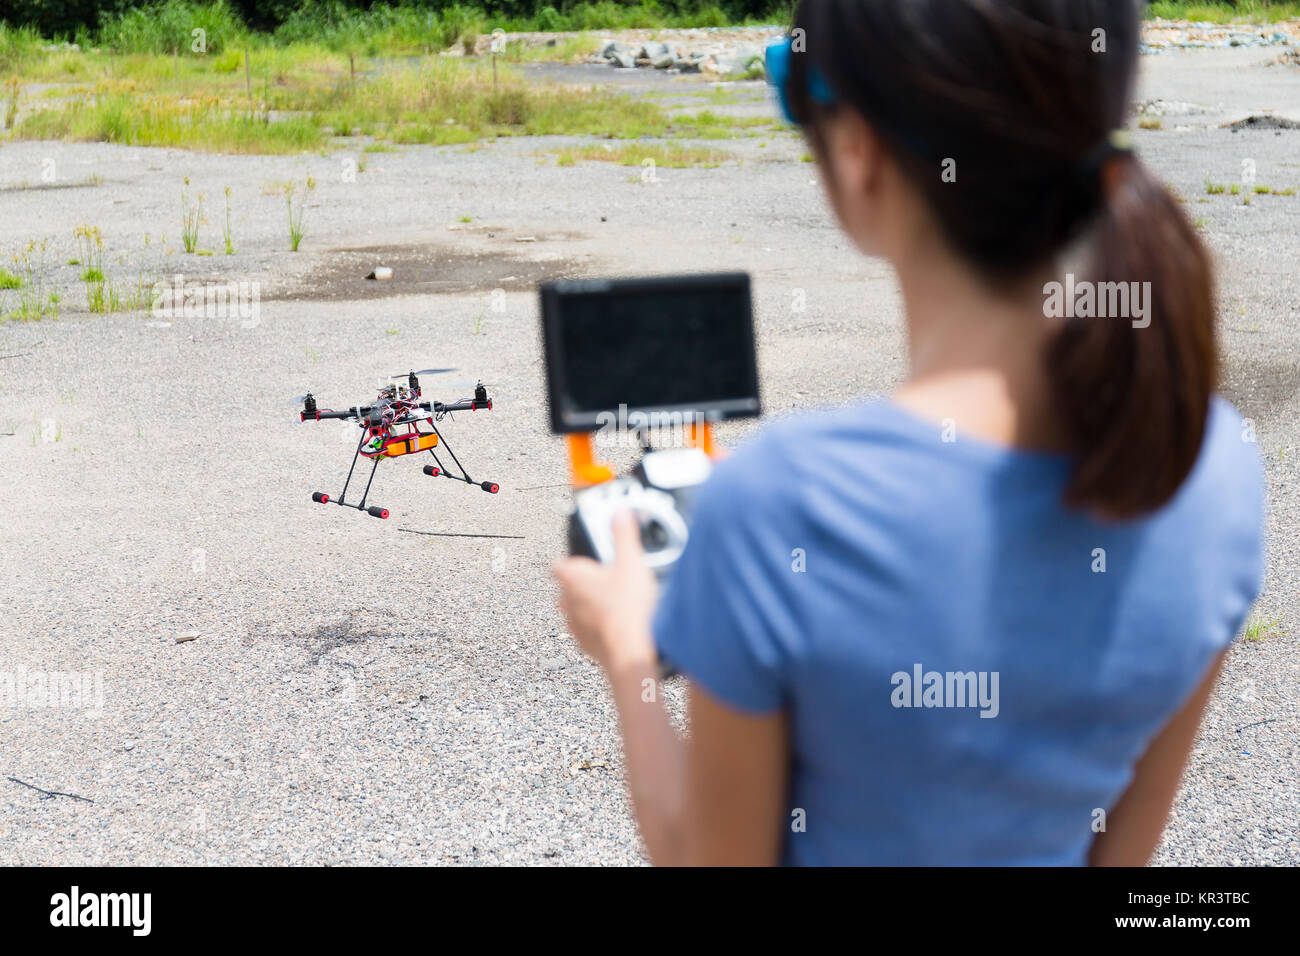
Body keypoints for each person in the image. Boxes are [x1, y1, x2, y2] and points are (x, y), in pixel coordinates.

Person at [553, 0, 1265, 865]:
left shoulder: (778, 507)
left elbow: (703, 853)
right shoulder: (1214, 462)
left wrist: (629, 655)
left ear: (857, 150)